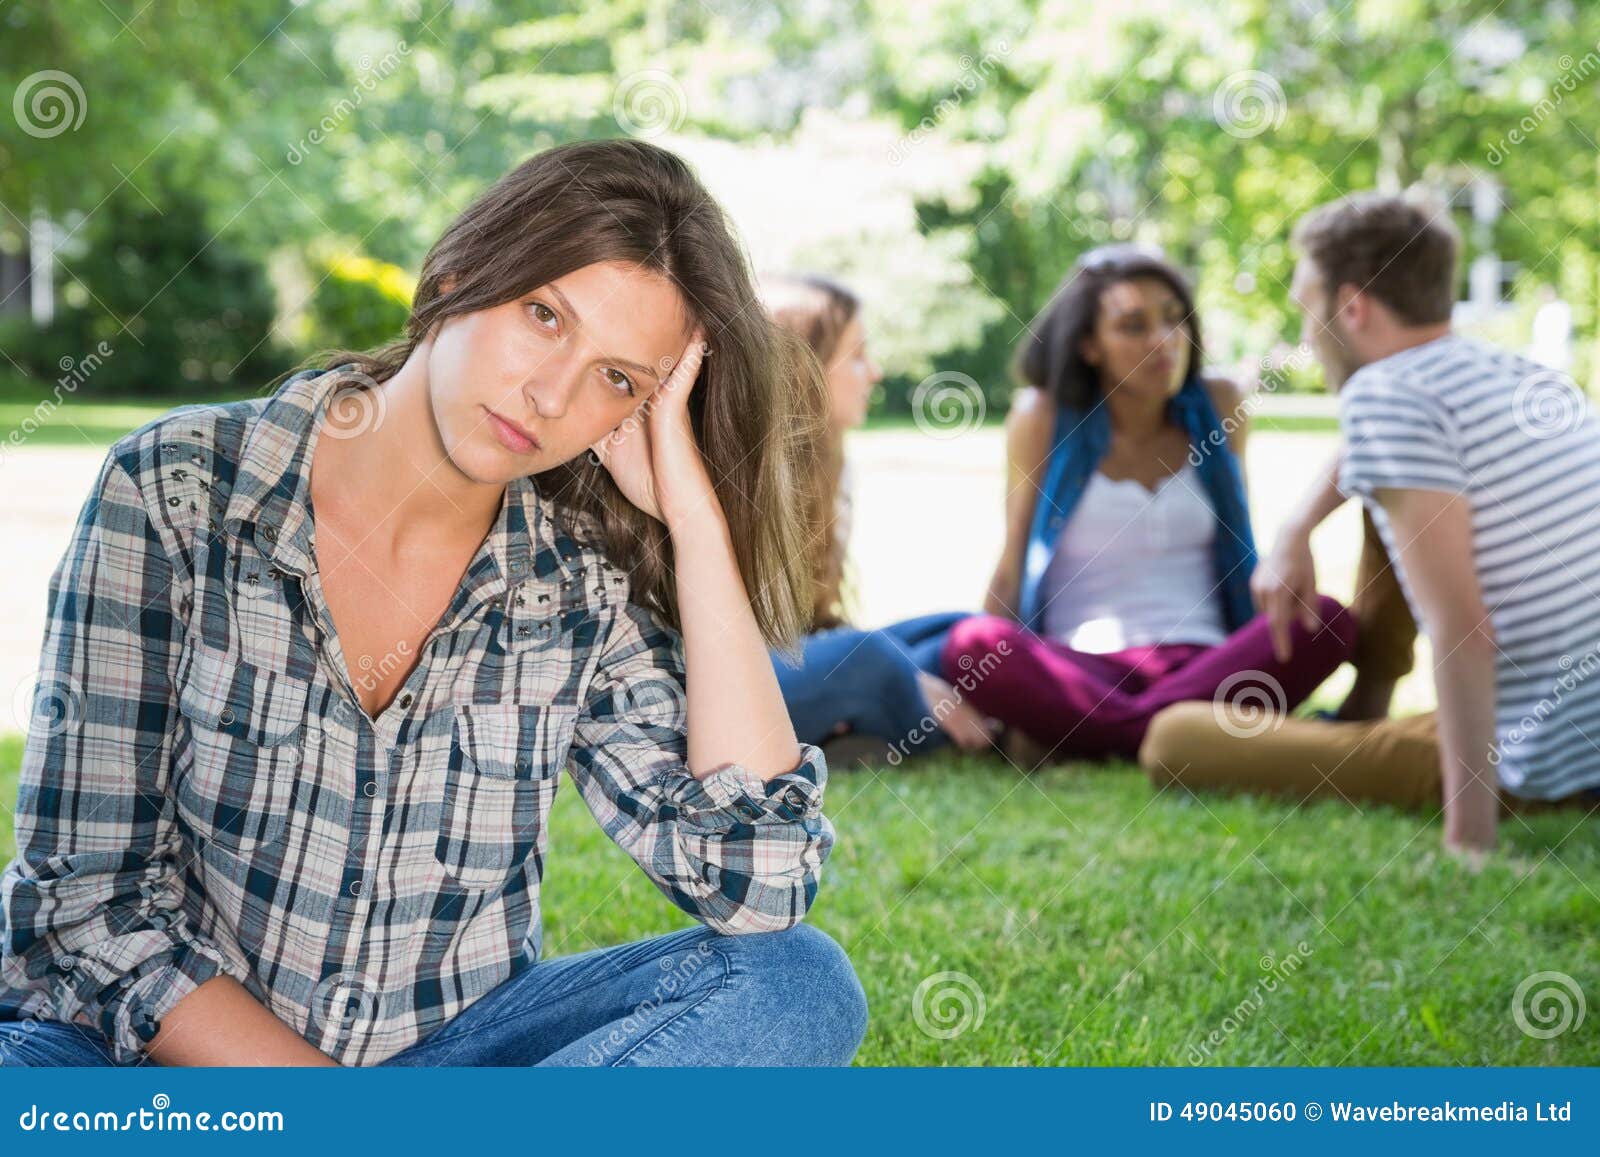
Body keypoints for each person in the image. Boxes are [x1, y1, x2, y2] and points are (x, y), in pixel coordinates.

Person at [0, 139, 867, 1067]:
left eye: (618, 378)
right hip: (165, 1068)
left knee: (795, 985)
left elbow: (758, 884)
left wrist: (698, 530)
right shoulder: (177, 487)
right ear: (458, 270)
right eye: (543, 315)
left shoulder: (581, 574)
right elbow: (86, 908)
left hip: (447, 1058)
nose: (549, 392)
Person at [1141, 192, 1600, 853]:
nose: (1305, 334)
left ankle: (1364, 730)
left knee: (1175, 738)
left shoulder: (1386, 397)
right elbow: (1364, 452)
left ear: (1352, 307)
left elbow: (1463, 630)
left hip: (1546, 753)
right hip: (1574, 707)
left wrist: (1471, 841)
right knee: (1390, 494)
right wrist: (1296, 527)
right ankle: (1365, 712)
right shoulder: (1511, 374)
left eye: (1307, 308)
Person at [940, 245, 1356, 763]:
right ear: (1089, 346)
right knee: (972, 643)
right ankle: (1180, 732)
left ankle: (1105, 735)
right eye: (1133, 326)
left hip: (1206, 662)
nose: (1165, 340)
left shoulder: (1221, 404)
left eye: (1173, 318)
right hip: (1079, 669)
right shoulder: (1042, 417)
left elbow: (1238, 543)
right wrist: (980, 684)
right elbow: (1011, 569)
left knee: (1328, 619)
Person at [760, 273, 996, 762]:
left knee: (961, 631)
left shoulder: (829, 468)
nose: (875, 372)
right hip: (711, 694)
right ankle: (912, 726)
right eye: (858, 356)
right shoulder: (742, 471)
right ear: (802, 368)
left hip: (789, 664)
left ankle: (854, 726)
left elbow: (808, 628)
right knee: (869, 657)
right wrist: (895, 670)